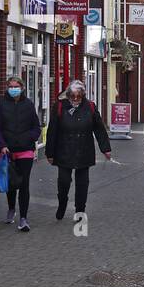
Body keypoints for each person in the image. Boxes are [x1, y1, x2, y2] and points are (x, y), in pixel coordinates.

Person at [44, 79, 112, 221]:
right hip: (64, 150)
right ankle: (62, 203)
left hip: (84, 150)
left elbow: (99, 129)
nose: (75, 99)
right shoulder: (60, 106)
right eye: (73, 96)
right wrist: (49, 153)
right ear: (68, 95)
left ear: (83, 95)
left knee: (82, 183)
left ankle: (80, 210)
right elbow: (52, 131)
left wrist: (105, 148)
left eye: (79, 96)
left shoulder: (90, 107)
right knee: (63, 181)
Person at [0, 75, 41, 230]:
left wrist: (29, 138)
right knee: (11, 183)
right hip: (8, 151)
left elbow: (36, 127)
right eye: (10, 86)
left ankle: (23, 218)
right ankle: (11, 208)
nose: (13, 89)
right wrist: (1, 145)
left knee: (24, 184)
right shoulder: (2, 105)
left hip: (25, 150)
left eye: (15, 86)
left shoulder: (29, 105)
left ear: (22, 88)